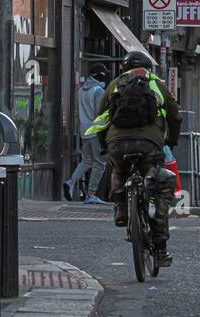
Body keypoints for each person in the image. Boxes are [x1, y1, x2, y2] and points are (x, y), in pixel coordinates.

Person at [84, 51, 180, 267]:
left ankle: (120, 207)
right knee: (160, 187)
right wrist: (170, 141)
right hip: (150, 145)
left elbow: (101, 119)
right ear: (148, 68)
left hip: (117, 143)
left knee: (119, 170)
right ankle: (161, 248)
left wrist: (105, 145)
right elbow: (174, 115)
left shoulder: (114, 85)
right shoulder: (156, 84)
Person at [65, 64, 109, 203]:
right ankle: (91, 194)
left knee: (86, 160)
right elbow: (99, 114)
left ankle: (71, 181)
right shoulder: (98, 91)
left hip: (84, 132)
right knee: (99, 164)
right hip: (96, 133)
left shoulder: (81, 90)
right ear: (100, 76)